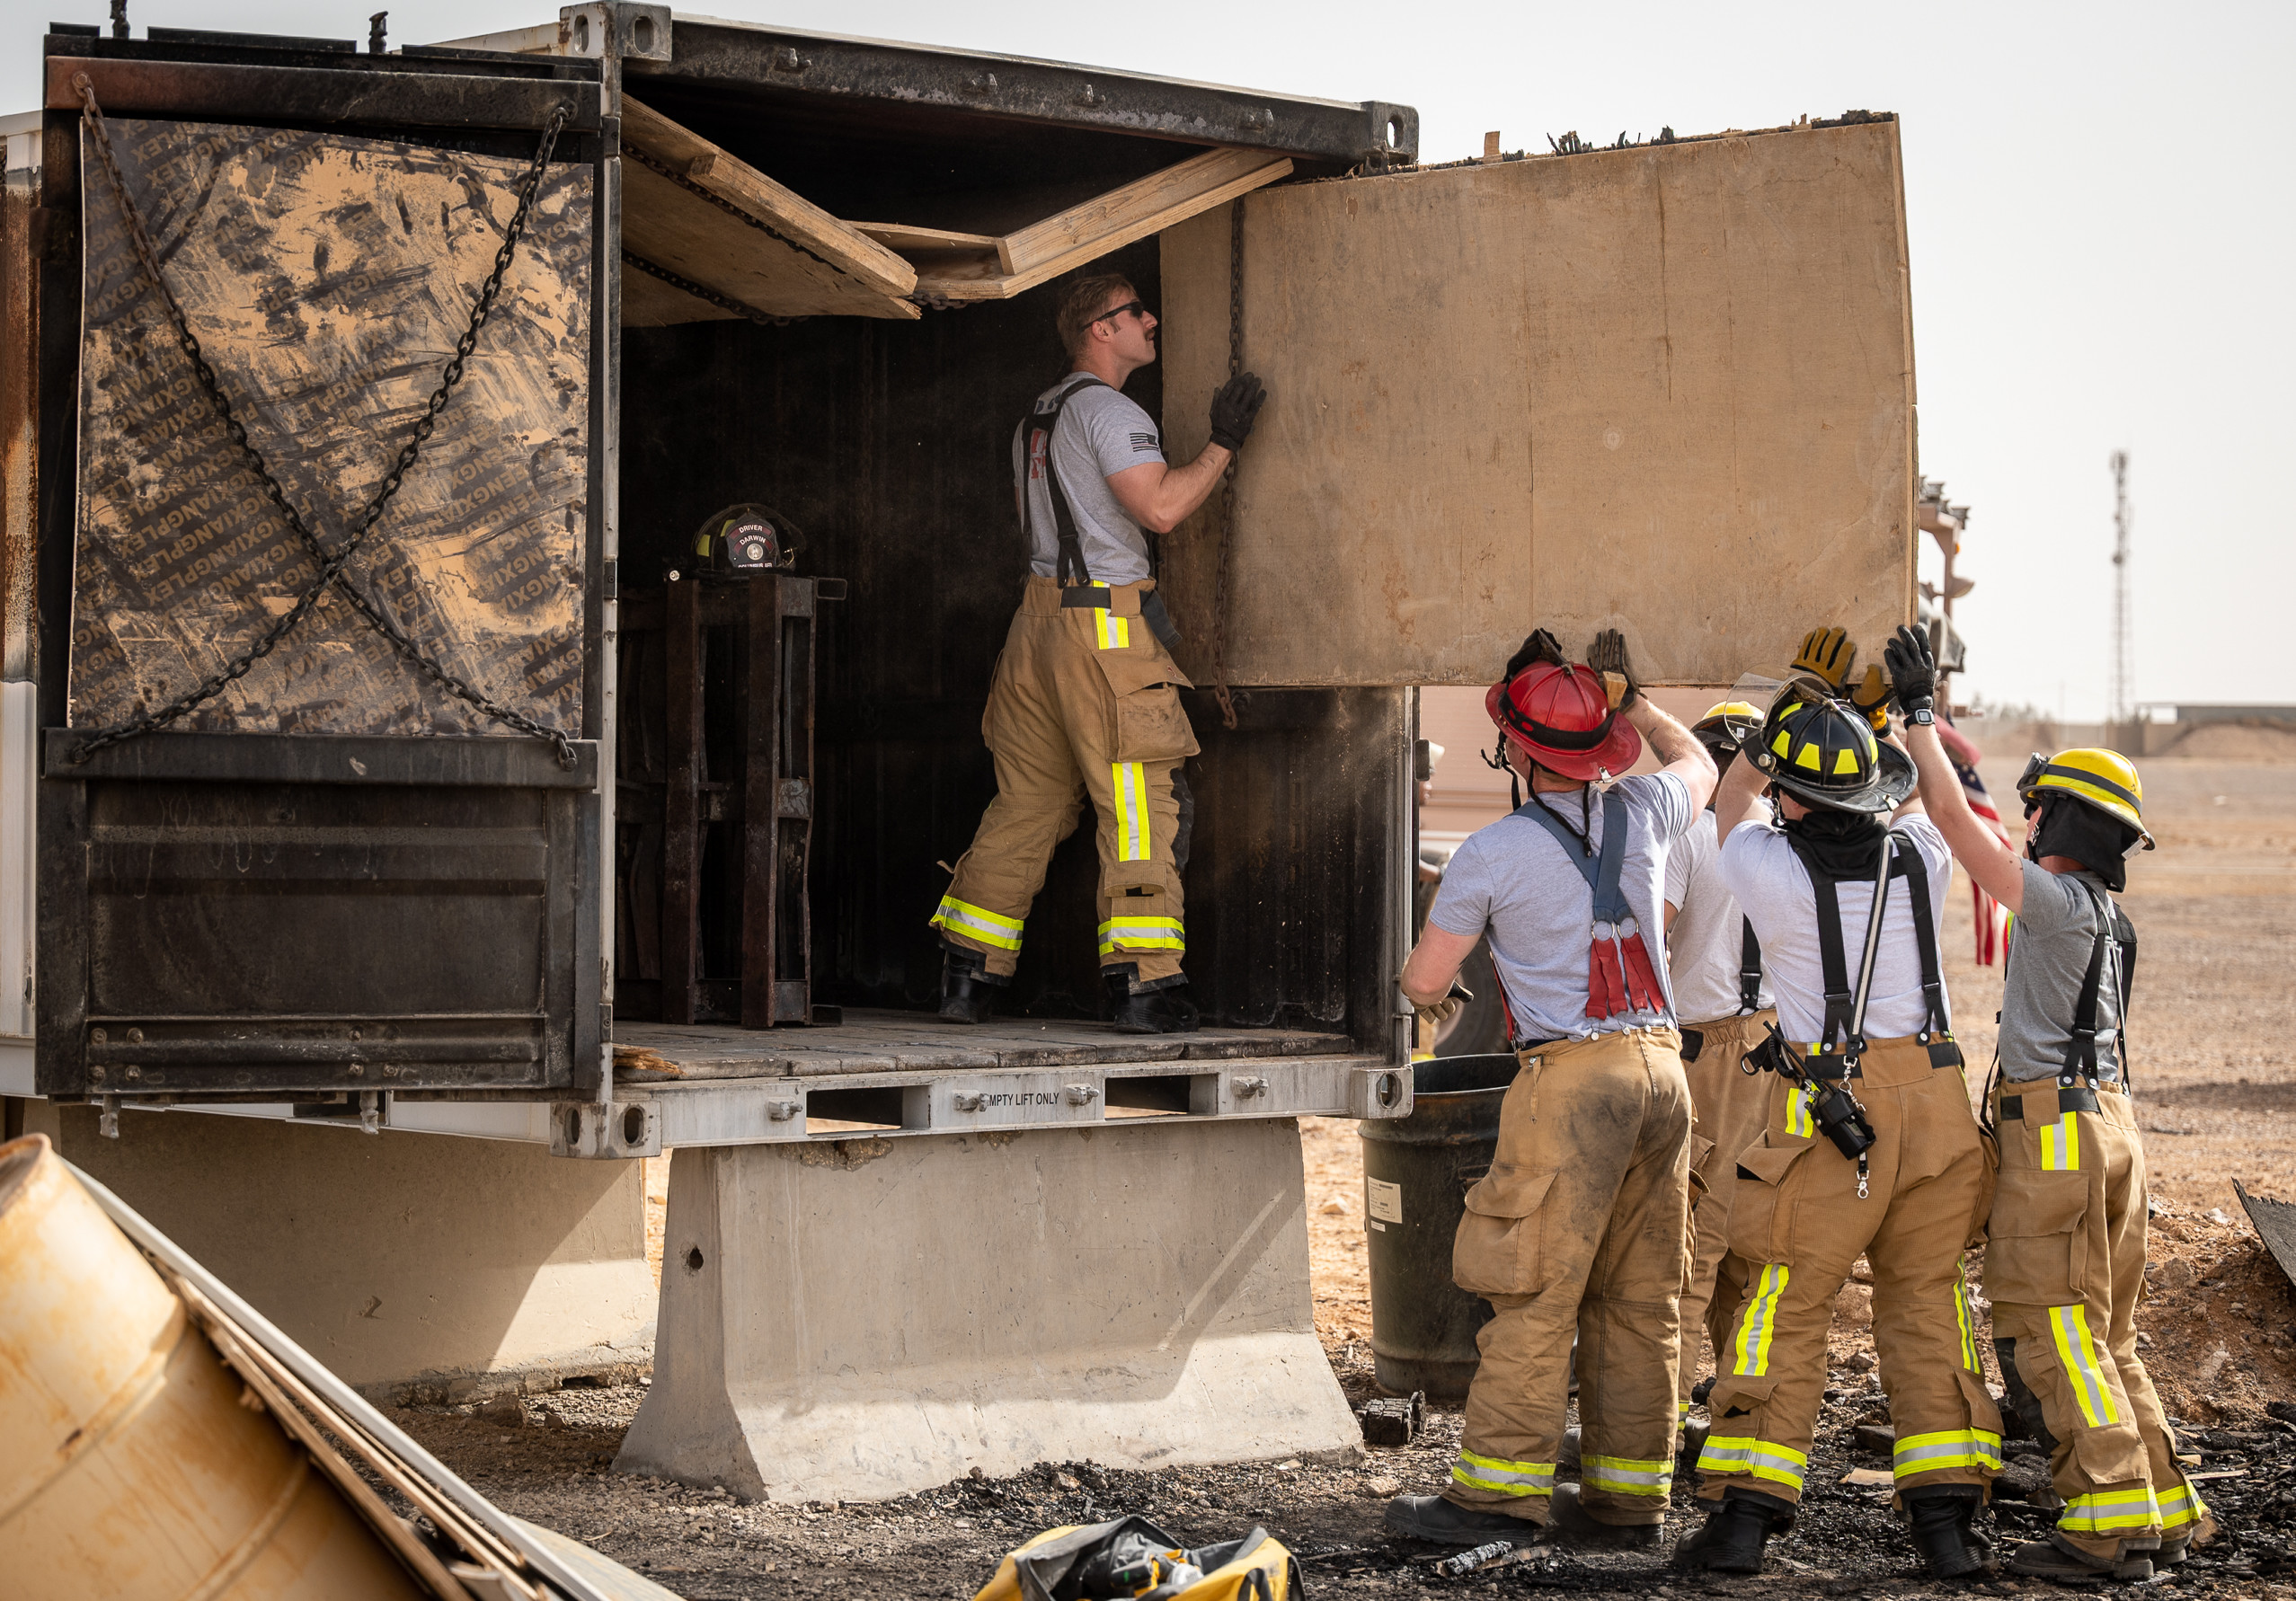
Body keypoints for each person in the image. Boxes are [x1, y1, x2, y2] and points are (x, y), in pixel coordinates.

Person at [1886, 624, 2213, 1584]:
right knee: (2102, 1333)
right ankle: (2158, 1508)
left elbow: (1955, 829)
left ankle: (2107, 1530)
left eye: (2038, 812)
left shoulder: (2059, 906)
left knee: (2049, 1326)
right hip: (2111, 1129)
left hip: (2059, 1140)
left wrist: (1917, 720)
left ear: (2059, 824)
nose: (2024, 824)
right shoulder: (2114, 924)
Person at [1383, 628, 1716, 1549]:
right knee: (1641, 1299)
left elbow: (1421, 981)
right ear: (1603, 746)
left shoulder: (1488, 855)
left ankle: (1493, 1497)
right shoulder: (1648, 807)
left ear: (1513, 753)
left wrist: (1428, 982)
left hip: (1571, 1083)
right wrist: (1632, 698)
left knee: (1531, 1292)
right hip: (1662, 1075)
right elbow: (1697, 763)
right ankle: (1624, 1503)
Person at [1679, 655, 1999, 1579]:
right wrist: (1908, 715)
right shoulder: (1922, 859)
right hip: (1933, 1107)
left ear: (1791, 799)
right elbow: (1936, 808)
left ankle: (1742, 1521)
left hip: (1827, 1107)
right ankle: (1945, 1529)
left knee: (1783, 1303)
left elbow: (1733, 799)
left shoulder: (1759, 864)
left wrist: (1788, 707)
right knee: (1928, 1303)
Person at [930, 274, 1266, 1032]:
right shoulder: (1109, 410)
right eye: (1133, 314)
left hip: (1033, 631)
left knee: (1027, 806)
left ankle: (967, 978)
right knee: (1141, 810)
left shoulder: (1035, 419)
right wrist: (1224, 443)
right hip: (1104, 634)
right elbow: (1161, 508)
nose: (1151, 320)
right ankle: (1145, 988)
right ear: (1099, 332)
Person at [1664, 701, 1778, 1446]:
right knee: (1755, 1243)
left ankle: (1659, 1425)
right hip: (1777, 1052)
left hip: (1704, 1052)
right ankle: (1746, 1424)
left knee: (1688, 1245)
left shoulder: (1688, 833)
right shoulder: (1779, 840)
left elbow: (1651, 933)